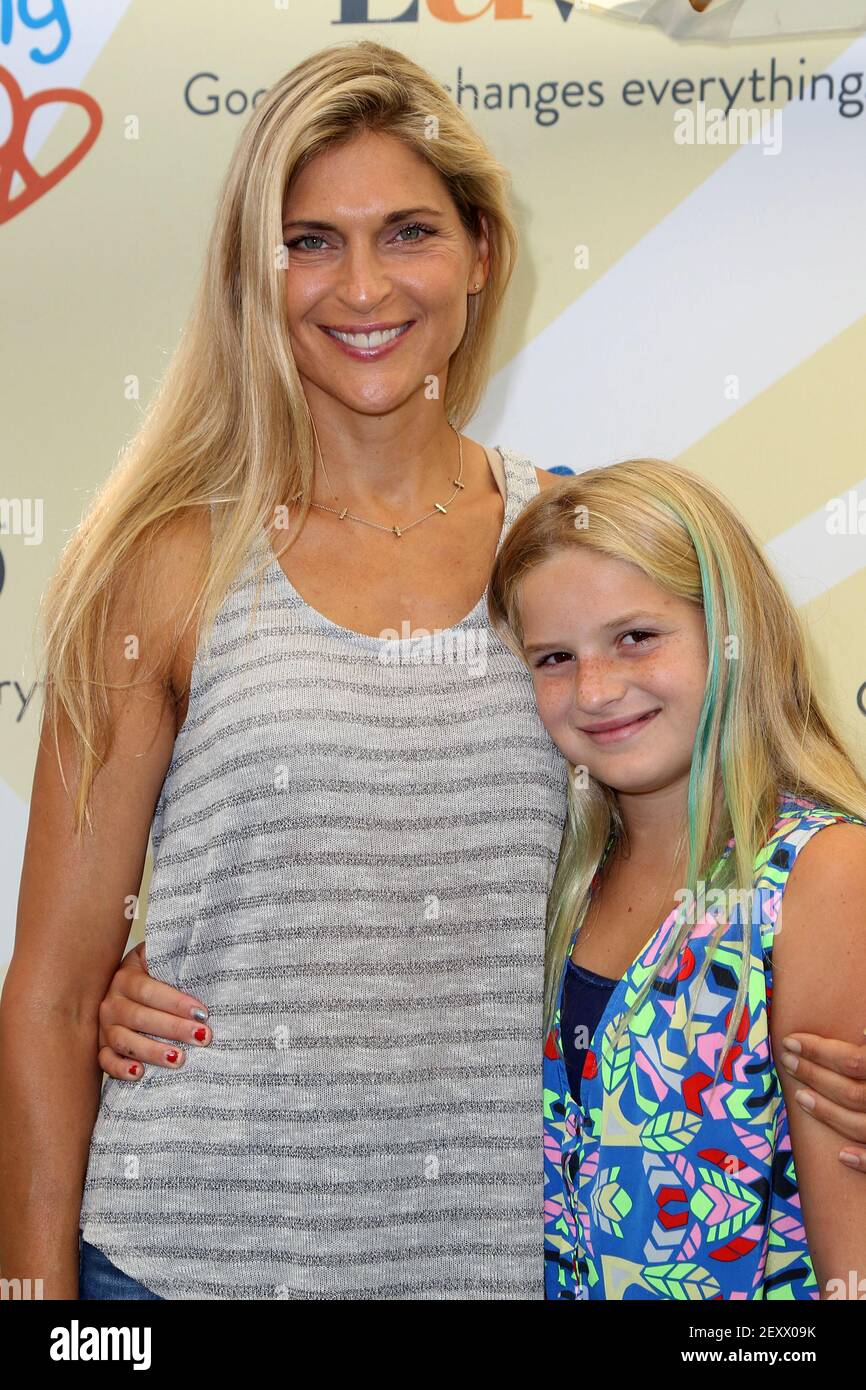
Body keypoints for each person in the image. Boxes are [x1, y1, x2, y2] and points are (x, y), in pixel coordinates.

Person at [3, 40, 864, 1304]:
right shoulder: (163, 562)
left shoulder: (567, 551)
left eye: (406, 231)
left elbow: (729, 871)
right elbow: (53, 985)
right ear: (256, 269)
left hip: (503, 1263)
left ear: (478, 252)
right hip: (173, 1261)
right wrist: (37, 1307)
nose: (361, 286)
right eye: (308, 240)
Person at [484, 457, 866, 1299]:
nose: (595, 689)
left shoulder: (821, 876)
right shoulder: (549, 883)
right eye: (553, 657)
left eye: (635, 637)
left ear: (733, 630)